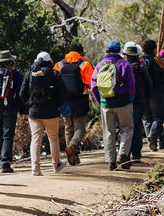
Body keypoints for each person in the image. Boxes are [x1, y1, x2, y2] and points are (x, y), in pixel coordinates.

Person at [90, 41, 136, 171]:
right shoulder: (124, 64)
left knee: (109, 132)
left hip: (106, 104)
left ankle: (111, 161)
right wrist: (130, 98)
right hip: (123, 103)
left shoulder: (99, 65)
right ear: (119, 50)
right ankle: (123, 153)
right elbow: (131, 83)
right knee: (127, 128)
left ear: (107, 50)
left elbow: (93, 86)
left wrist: (100, 101)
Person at [20, 52, 67, 176]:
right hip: (51, 112)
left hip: (34, 112)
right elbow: (63, 92)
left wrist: (29, 104)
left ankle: (35, 168)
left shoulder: (30, 73)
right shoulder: (54, 73)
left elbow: (22, 93)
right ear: (49, 61)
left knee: (35, 139)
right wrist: (57, 105)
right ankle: (56, 165)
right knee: (53, 138)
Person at [54, 43, 93, 166]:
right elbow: (91, 82)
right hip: (80, 100)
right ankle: (73, 146)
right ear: (80, 52)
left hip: (64, 100)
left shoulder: (59, 64)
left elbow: (54, 81)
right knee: (80, 127)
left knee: (68, 128)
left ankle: (73, 157)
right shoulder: (84, 64)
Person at [123, 43, 152, 163]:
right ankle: (136, 155)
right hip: (139, 102)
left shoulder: (124, 67)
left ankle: (125, 152)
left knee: (126, 128)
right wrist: (146, 98)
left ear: (127, 55)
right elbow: (149, 84)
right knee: (136, 127)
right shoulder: (141, 67)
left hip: (125, 102)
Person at [142, 40, 164, 150]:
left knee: (146, 118)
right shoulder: (156, 61)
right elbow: (163, 75)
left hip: (143, 93)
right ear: (153, 49)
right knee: (158, 117)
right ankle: (152, 135)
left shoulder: (141, 60)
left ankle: (152, 143)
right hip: (156, 92)